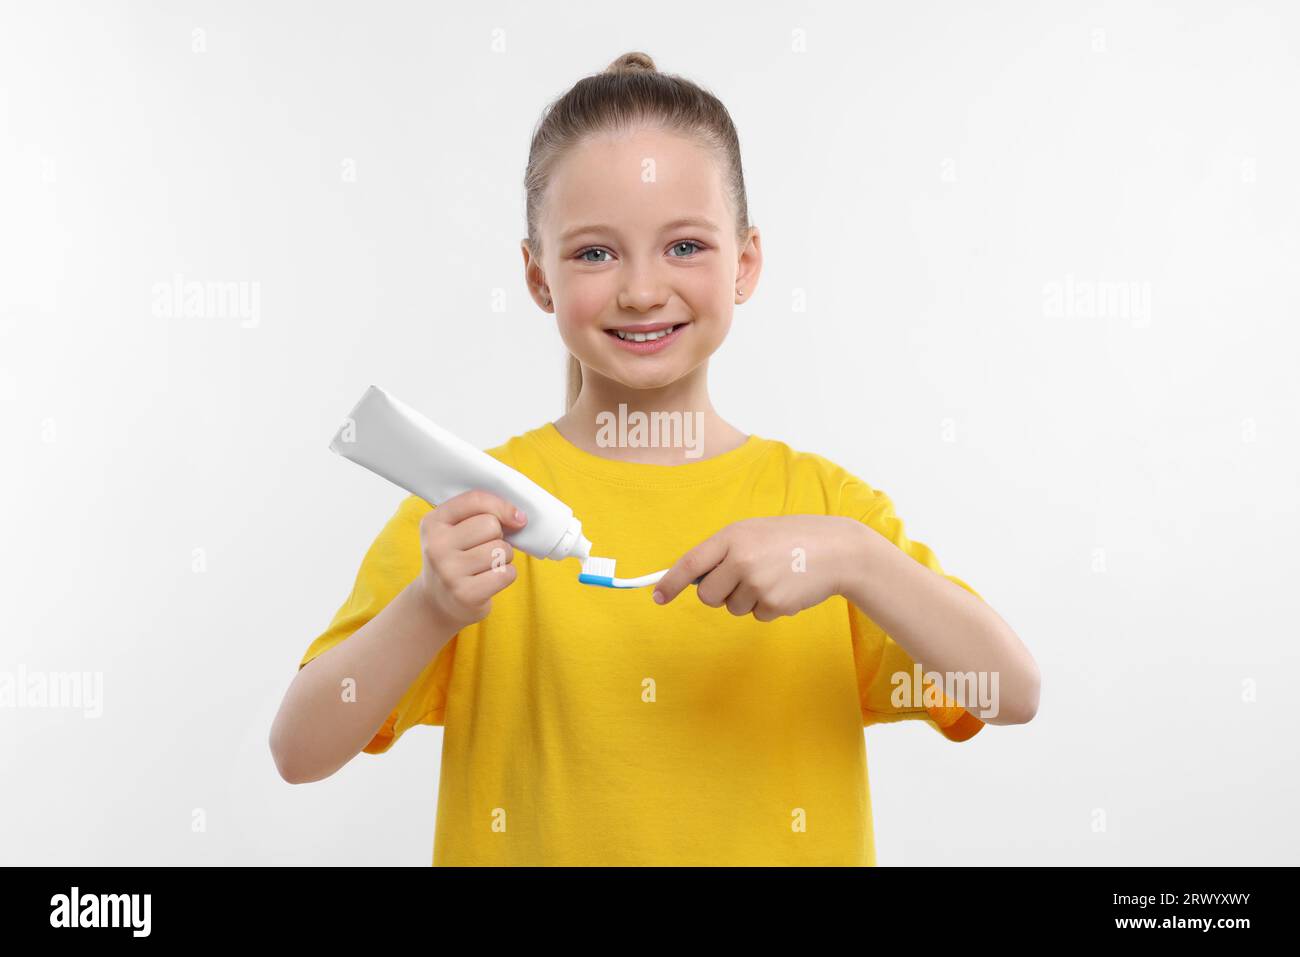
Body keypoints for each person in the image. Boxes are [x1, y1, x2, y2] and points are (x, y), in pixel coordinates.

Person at [270, 51, 1041, 866]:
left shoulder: (824, 508)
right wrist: (431, 605)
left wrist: (854, 559)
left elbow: (1011, 693)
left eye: (684, 246)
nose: (641, 289)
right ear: (538, 278)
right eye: (595, 254)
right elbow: (299, 750)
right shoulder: (475, 511)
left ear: (745, 263)